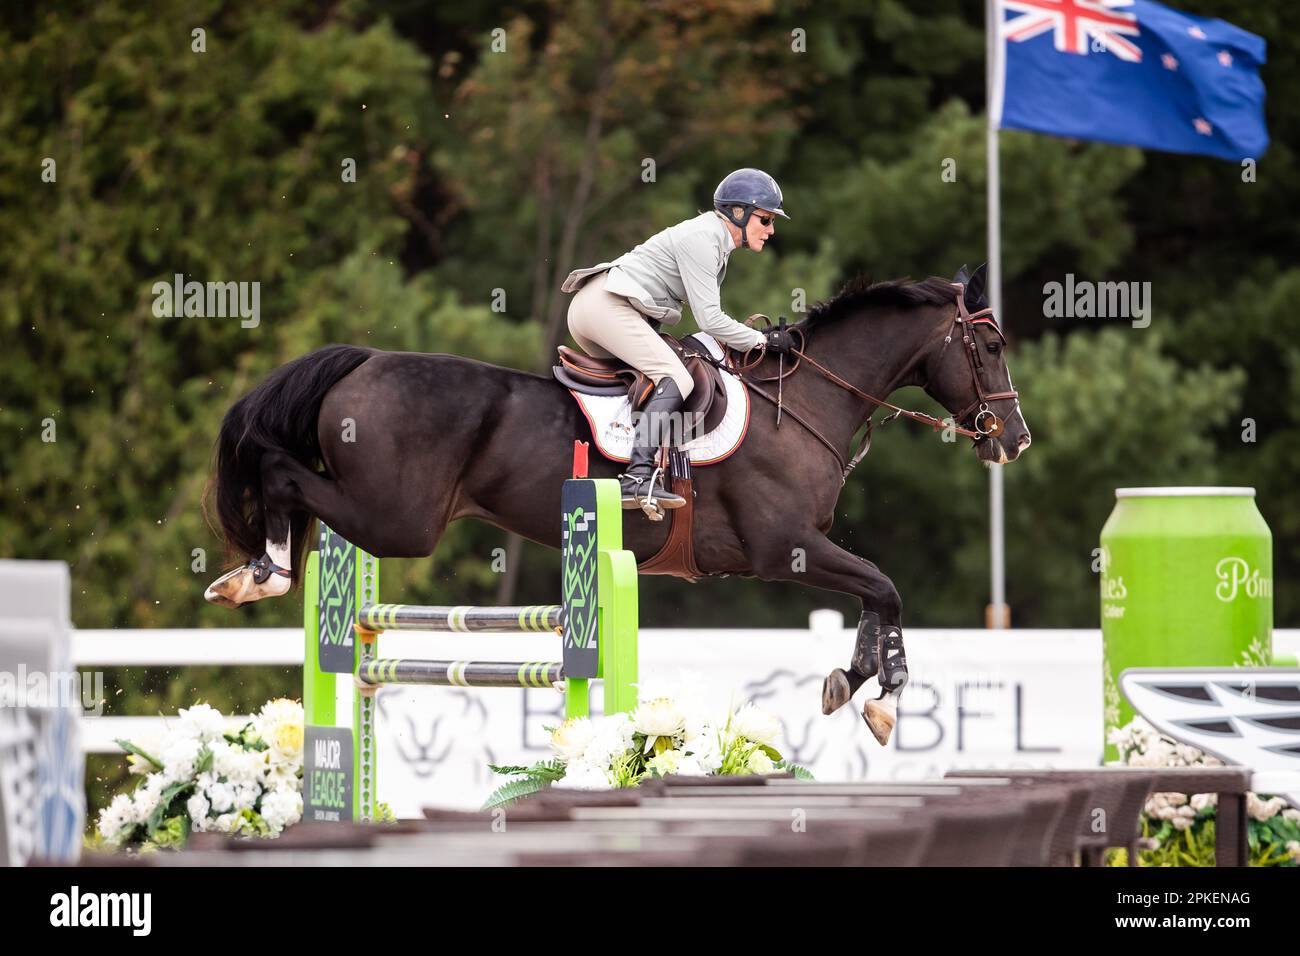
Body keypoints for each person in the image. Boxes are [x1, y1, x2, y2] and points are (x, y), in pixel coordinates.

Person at [562, 168, 797, 513]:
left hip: (602, 307)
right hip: (604, 307)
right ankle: (636, 477)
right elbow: (710, 320)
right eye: (765, 219)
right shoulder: (704, 238)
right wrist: (760, 342)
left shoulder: (716, 242)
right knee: (677, 378)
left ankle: (625, 450)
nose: (771, 229)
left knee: (662, 375)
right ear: (738, 213)